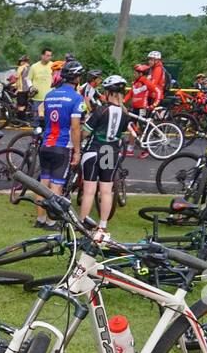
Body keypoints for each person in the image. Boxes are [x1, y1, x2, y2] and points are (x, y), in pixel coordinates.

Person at [80, 75, 133, 240]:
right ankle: (102, 226)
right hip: (110, 151)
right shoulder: (125, 114)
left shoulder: (101, 110)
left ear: (108, 92)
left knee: (89, 191)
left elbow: (86, 132)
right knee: (106, 191)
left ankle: (82, 224)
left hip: (93, 150)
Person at [34, 61, 85, 227]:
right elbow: (75, 127)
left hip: (46, 144)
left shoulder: (50, 95)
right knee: (57, 186)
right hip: (62, 146)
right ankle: (51, 221)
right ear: (76, 78)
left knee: (43, 183)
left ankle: (40, 219)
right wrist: (77, 152)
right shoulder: (77, 98)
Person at [27, 46, 54, 119]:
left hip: (50, 97)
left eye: (50, 56)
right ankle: (37, 129)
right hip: (37, 97)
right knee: (37, 117)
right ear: (42, 56)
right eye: (47, 55)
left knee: (50, 117)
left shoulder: (53, 66)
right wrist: (31, 87)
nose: (49, 57)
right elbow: (28, 79)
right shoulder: (34, 66)